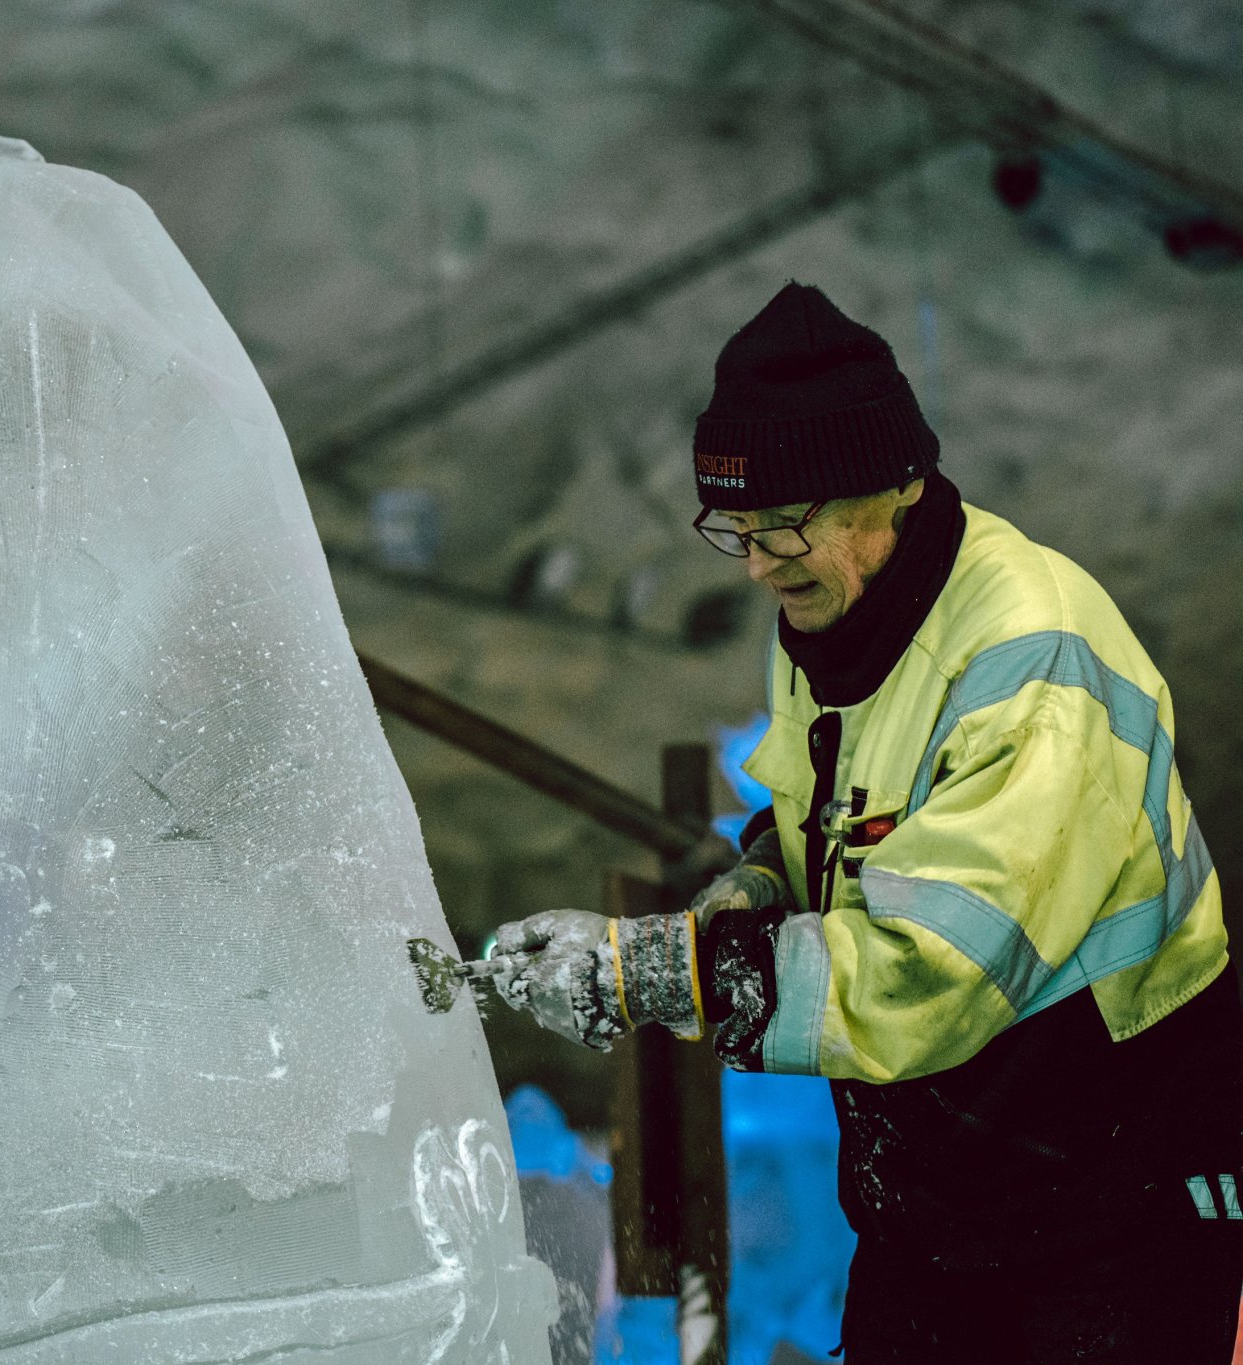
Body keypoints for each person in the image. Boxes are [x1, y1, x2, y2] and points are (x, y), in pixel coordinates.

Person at [490, 282, 1243, 1361]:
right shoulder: (828, 619)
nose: (755, 562)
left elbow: (924, 975)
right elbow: (811, 831)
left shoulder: (1032, 660)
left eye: (784, 523)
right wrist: (737, 903)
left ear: (893, 488)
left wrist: (664, 975)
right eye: (734, 530)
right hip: (939, 1195)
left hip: (1108, 1188)